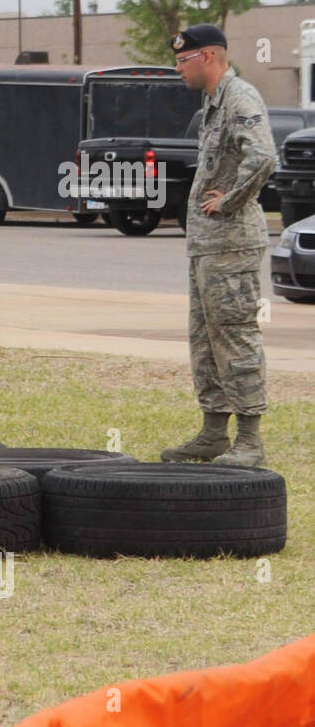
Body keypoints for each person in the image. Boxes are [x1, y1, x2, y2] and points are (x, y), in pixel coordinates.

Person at [160, 25, 275, 468]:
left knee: (235, 335)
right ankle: (213, 432)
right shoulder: (213, 103)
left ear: (207, 56)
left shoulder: (240, 96)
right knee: (205, 339)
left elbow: (263, 157)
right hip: (208, 246)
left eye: (182, 60)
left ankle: (249, 440)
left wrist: (229, 201)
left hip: (232, 244)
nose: (178, 68)